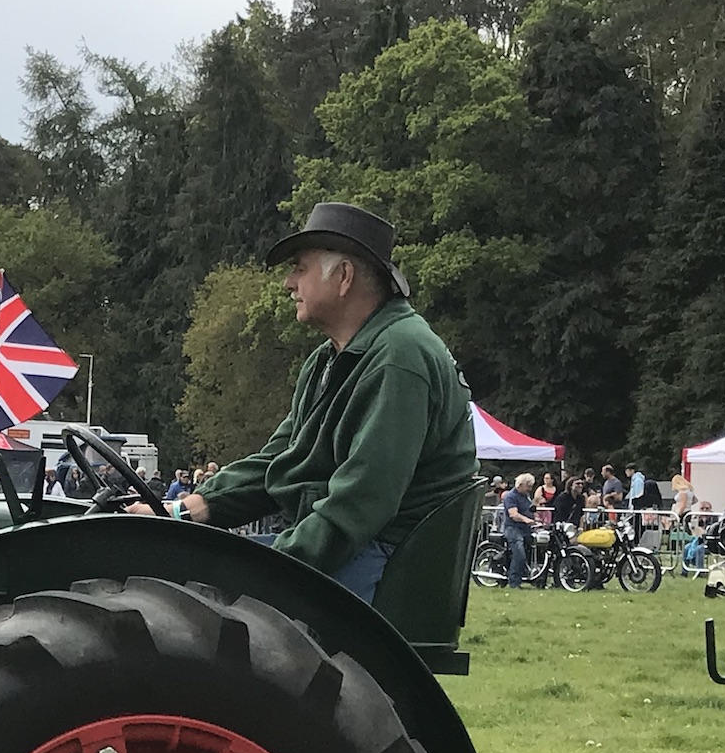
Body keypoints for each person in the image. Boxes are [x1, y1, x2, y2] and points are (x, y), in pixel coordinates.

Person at [140, 202, 475, 603]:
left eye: (299, 267)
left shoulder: (399, 357)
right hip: (352, 546)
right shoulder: (331, 359)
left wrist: (271, 565)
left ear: (344, 277)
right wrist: (183, 512)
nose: (288, 283)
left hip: (382, 556)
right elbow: (281, 460)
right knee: (177, 573)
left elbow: (361, 504)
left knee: (193, 595)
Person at [500, 473, 536, 587]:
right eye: (528, 486)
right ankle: (514, 582)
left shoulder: (526, 496)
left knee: (534, 550)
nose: (530, 489)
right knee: (519, 554)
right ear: (520, 485)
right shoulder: (511, 497)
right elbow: (513, 514)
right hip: (513, 528)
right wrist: (526, 519)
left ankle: (534, 577)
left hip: (525, 529)